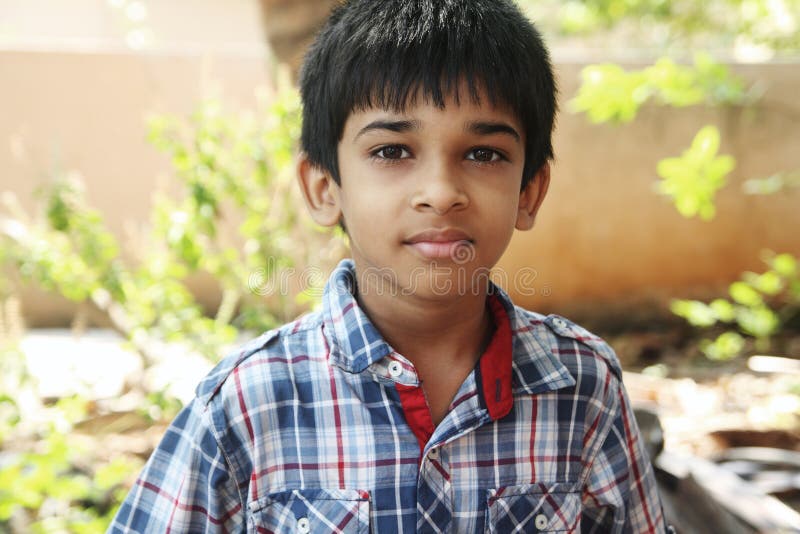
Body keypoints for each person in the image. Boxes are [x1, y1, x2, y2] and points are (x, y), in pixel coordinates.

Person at [109, 0, 670, 532]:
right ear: (325, 187)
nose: (441, 192)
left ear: (529, 191)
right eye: (392, 151)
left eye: (484, 154)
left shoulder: (582, 386)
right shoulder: (248, 403)